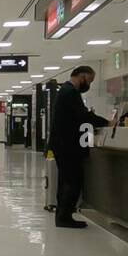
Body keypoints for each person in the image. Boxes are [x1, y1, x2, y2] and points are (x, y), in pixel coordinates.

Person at [48, 65, 110, 229]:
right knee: (72, 180)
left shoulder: (66, 91)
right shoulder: (70, 92)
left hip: (63, 144)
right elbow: (83, 116)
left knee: (66, 180)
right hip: (67, 145)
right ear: (81, 76)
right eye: (88, 80)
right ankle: (64, 217)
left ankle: (63, 215)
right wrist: (107, 123)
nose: (88, 84)